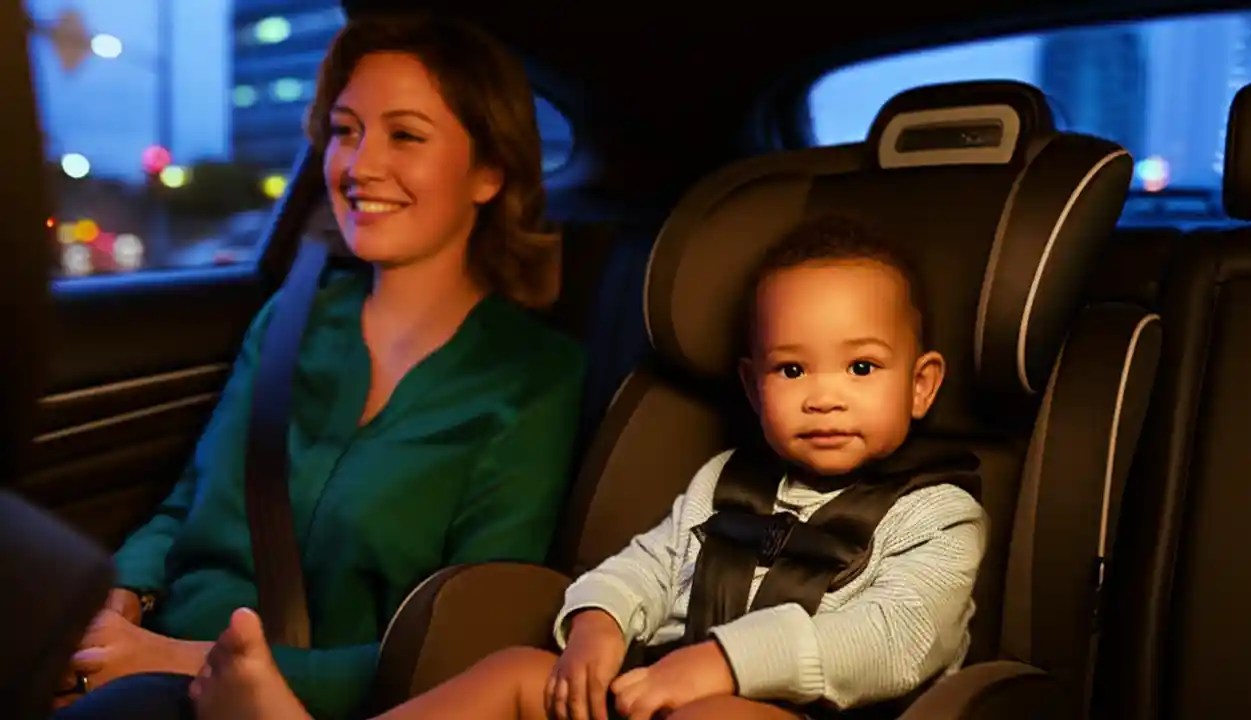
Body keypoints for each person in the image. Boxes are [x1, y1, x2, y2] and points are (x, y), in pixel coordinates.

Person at [186, 213, 988, 720]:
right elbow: (640, 568)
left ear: (921, 385)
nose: (823, 398)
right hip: (655, 693)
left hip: (792, 712)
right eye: (790, 371)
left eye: (860, 369)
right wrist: (597, 629)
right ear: (751, 383)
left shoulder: (936, 514)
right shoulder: (723, 483)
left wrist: (721, 664)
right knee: (513, 671)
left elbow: (893, 640)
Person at [53, 12, 586, 720]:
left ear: (489, 171)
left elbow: (459, 649)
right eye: (344, 130)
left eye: (405, 135)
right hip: (147, 663)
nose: (359, 166)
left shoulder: (535, 376)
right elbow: (186, 503)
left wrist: (175, 659)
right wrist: (117, 607)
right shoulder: (291, 320)